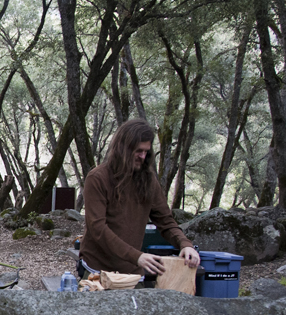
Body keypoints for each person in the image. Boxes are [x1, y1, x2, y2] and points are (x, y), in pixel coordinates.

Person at [78, 119, 200, 279]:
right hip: (97, 270)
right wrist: (137, 256)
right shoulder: (98, 178)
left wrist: (185, 244)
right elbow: (97, 229)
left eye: (146, 152)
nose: (143, 156)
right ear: (123, 149)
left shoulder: (148, 181)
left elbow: (166, 221)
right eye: (138, 151)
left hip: (132, 272)